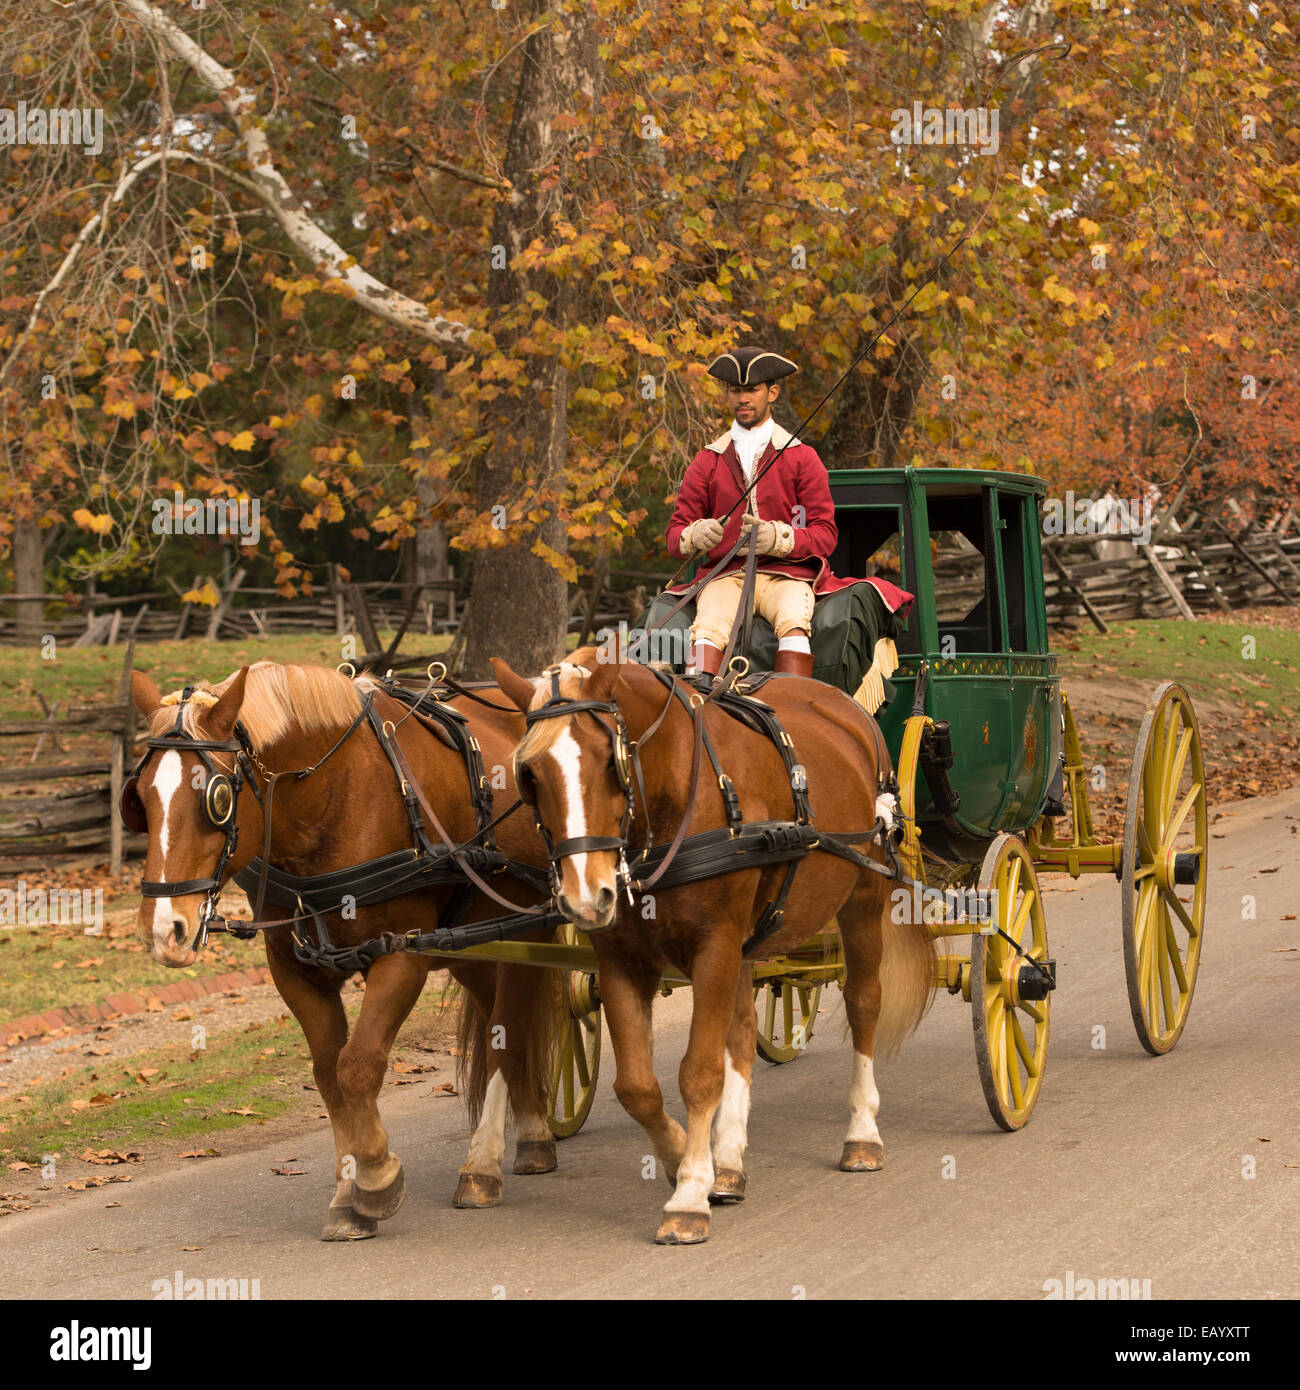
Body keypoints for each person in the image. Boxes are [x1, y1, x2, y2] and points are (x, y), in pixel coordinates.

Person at [664, 346, 910, 697]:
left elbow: (826, 536)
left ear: (772, 393)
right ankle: (698, 706)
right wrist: (695, 534)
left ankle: (793, 703)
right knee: (707, 627)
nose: (742, 398)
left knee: (794, 623)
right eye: (735, 390)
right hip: (725, 576)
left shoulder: (802, 458)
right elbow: (674, 535)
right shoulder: (707, 461)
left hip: (787, 574)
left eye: (752, 390)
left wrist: (779, 538)